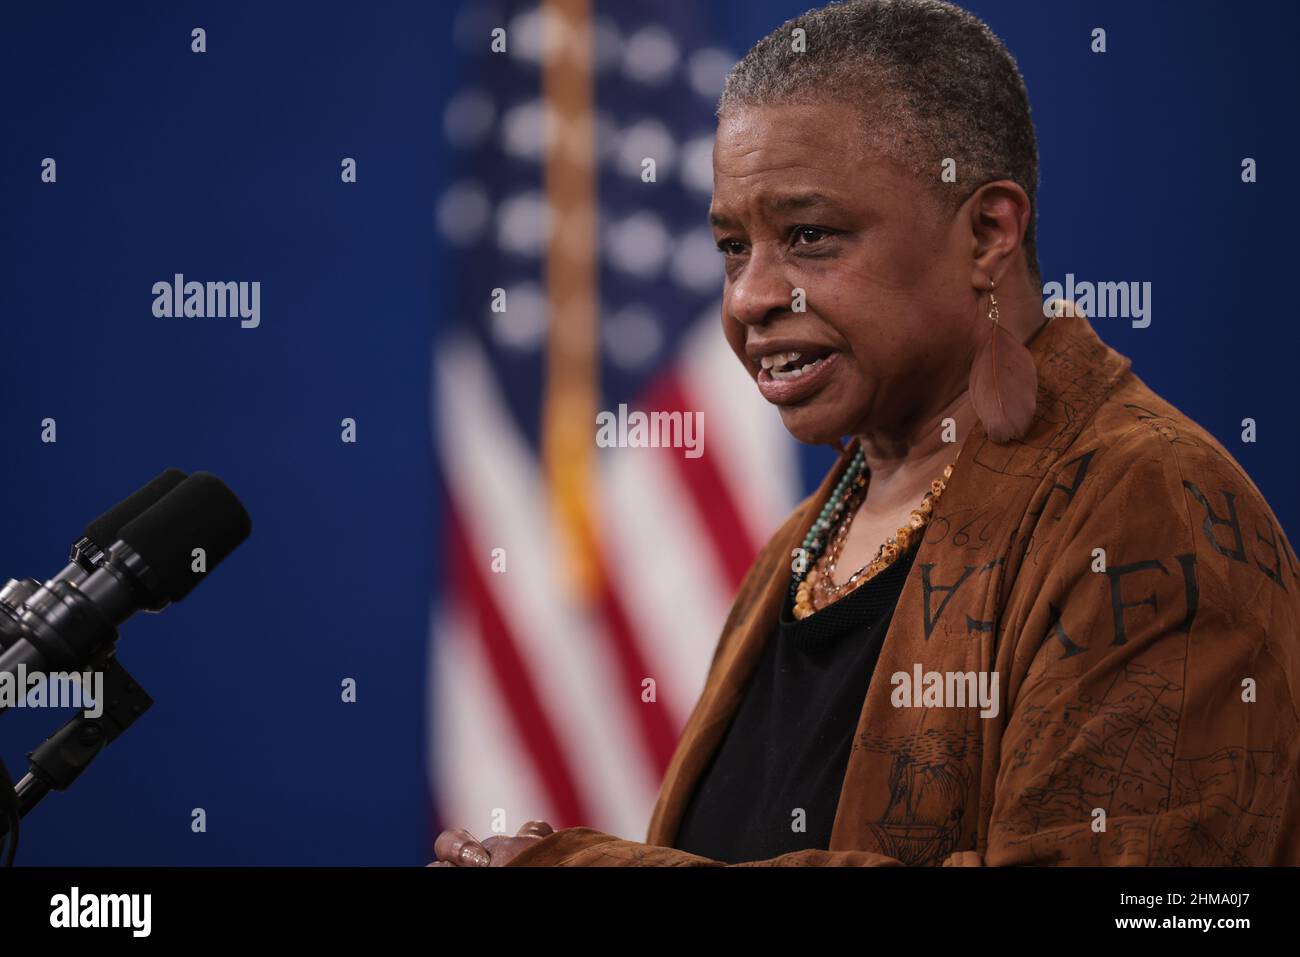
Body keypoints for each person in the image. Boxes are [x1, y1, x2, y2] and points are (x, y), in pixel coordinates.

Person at [431, 0, 1300, 867]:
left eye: (809, 236)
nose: (748, 297)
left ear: (989, 233)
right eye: (734, 246)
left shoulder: (1154, 505)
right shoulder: (798, 547)